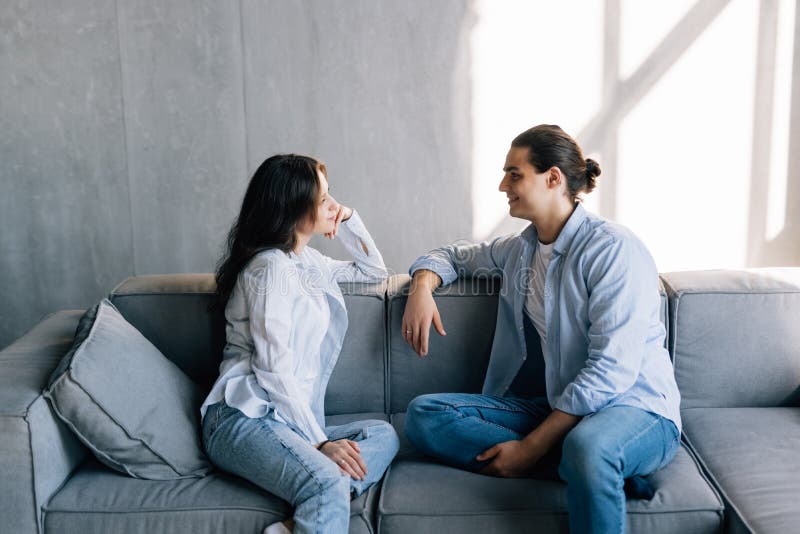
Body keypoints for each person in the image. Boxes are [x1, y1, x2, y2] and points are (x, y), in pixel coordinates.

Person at [401, 125, 681, 533]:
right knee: (425, 415)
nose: (503, 185)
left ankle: (587, 462)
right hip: (562, 409)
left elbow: (612, 370)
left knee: (590, 447)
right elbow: (452, 255)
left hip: (636, 408)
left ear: (553, 178)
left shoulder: (613, 249)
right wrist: (422, 286)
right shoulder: (521, 250)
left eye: (514, 174)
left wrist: (531, 449)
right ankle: (589, 469)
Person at [200, 154, 399, 534]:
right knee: (326, 480)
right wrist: (321, 443)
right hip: (242, 417)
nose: (331, 205)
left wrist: (349, 218)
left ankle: (313, 509)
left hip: (283, 422)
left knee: (383, 434)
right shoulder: (268, 269)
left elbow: (373, 272)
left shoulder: (307, 262)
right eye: (323, 198)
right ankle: (324, 493)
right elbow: (273, 370)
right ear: (293, 207)